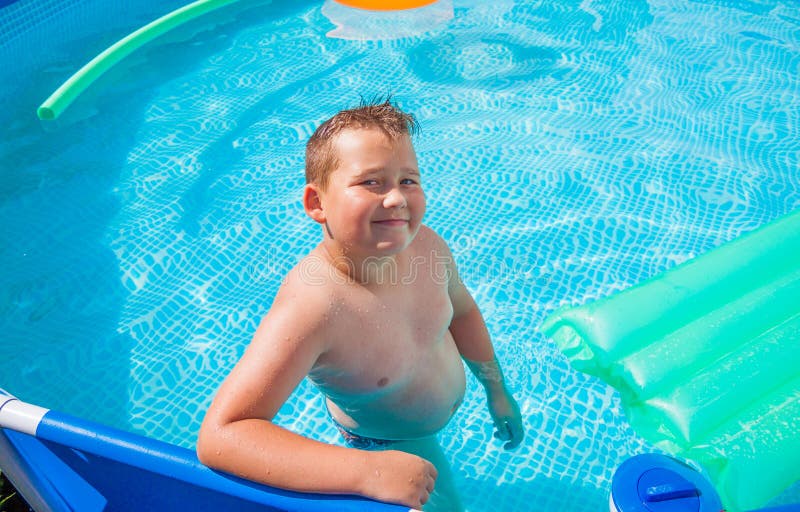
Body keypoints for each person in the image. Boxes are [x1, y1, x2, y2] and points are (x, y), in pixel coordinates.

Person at [196, 98, 524, 511]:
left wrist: (496, 388)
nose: (396, 200)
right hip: (385, 441)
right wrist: (365, 471)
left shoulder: (427, 248)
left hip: (430, 414)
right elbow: (223, 434)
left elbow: (462, 312)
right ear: (317, 204)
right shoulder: (314, 306)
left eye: (408, 180)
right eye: (372, 182)